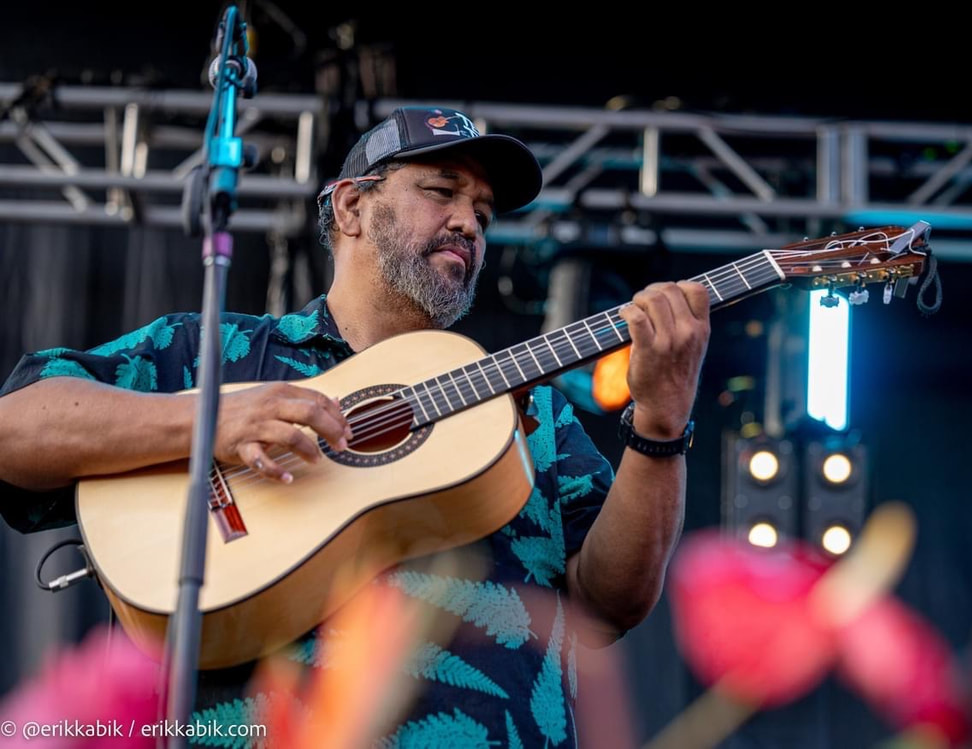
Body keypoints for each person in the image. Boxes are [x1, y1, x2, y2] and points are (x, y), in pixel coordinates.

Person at [0, 106, 710, 746]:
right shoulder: (217, 352)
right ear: (349, 207)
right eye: (441, 191)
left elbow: (613, 602)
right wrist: (212, 417)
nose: (468, 223)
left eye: (483, 213)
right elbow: (17, 428)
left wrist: (660, 422)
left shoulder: (534, 411)